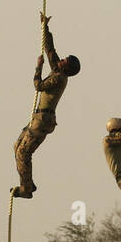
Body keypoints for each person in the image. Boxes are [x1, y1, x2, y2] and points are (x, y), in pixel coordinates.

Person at [13, 12, 80, 198]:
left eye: (66, 61)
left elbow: (39, 85)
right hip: (40, 118)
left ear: (67, 68)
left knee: (24, 153)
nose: (62, 59)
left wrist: (38, 67)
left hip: (43, 120)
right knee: (17, 146)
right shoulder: (58, 70)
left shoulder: (59, 77)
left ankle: (26, 189)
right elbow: (50, 49)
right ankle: (28, 183)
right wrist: (45, 28)